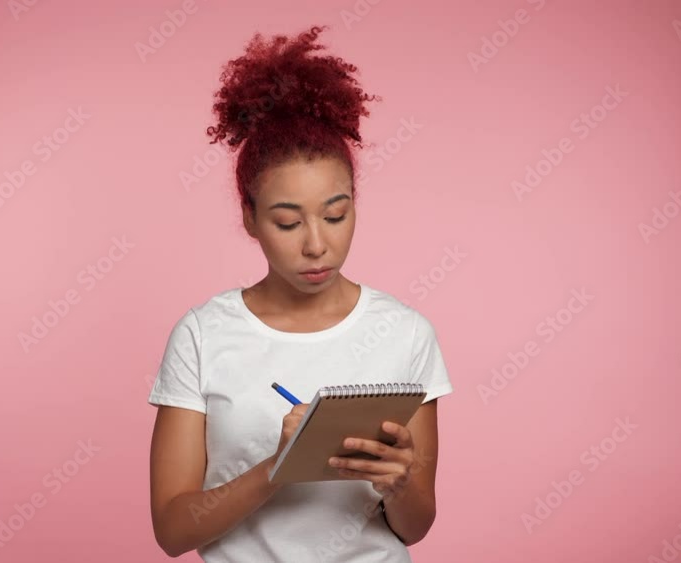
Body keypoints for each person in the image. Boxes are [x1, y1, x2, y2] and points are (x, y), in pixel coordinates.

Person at [147, 25, 453, 562]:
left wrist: (400, 483)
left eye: (335, 215)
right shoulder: (202, 335)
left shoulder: (406, 333)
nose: (316, 245)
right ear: (250, 218)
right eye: (288, 223)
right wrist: (280, 467)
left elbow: (414, 527)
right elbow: (173, 531)